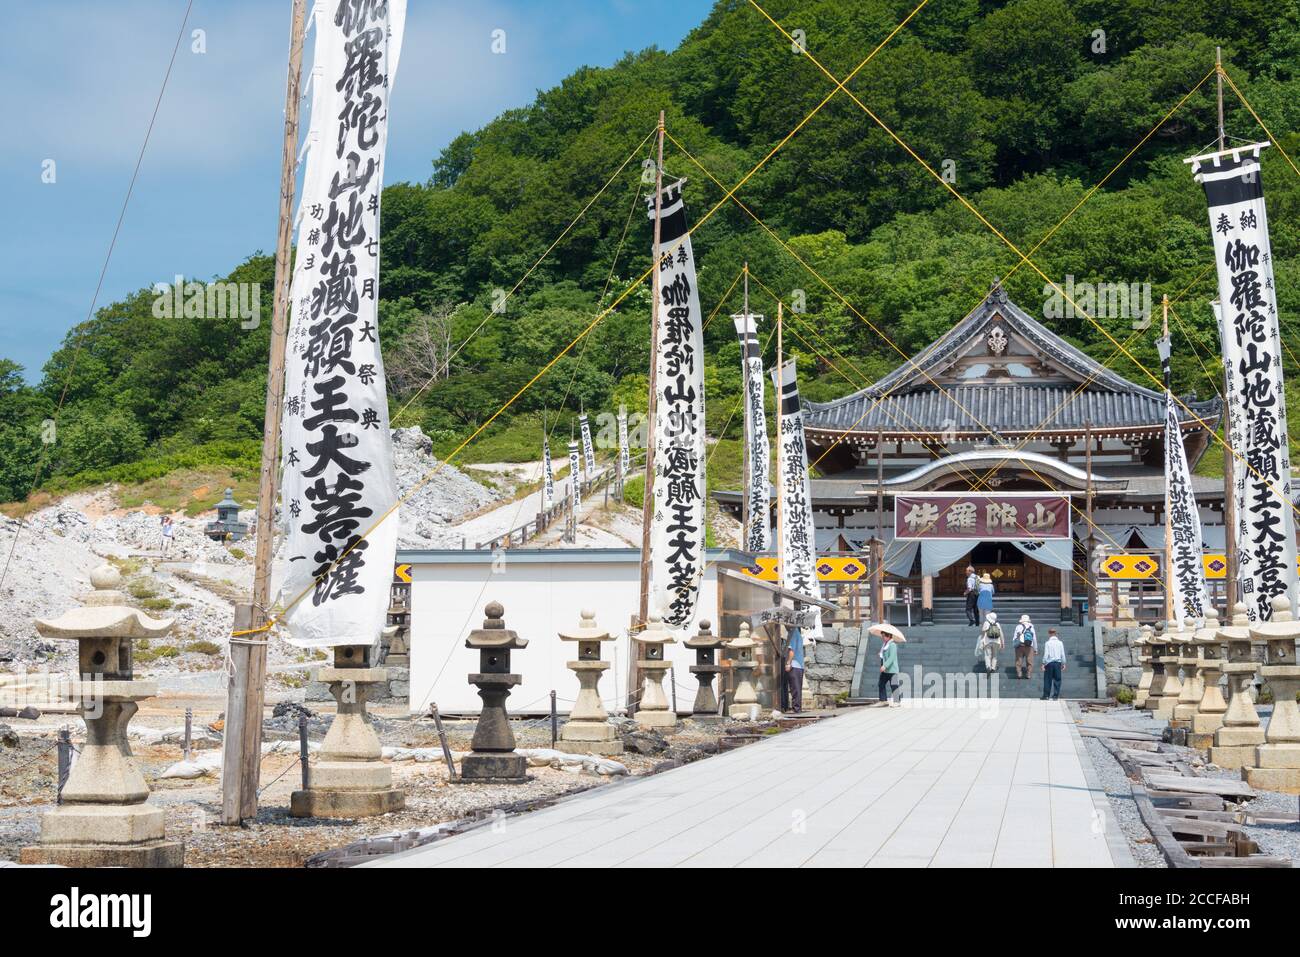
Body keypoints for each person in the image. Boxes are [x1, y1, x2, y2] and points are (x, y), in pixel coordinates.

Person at [1041, 628, 1066, 700]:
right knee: (1057, 679)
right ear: (1056, 634)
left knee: (1047, 679)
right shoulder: (1060, 643)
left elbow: (1046, 654)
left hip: (1049, 663)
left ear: (1049, 634)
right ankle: (1055, 696)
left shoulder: (1047, 643)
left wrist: (1043, 663)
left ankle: (1046, 695)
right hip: (1058, 663)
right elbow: (1062, 654)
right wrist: (1063, 663)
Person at [785, 625, 805, 714]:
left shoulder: (793, 633)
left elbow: (791, 650)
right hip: (800, 664)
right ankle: (798, 708)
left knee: (795, 688)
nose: (785, 626)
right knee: (797, 688)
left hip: (795, 664)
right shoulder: (798, 633)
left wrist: (788, 663)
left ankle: (796, 709)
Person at [1013, 614, 1038, 679]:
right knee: (1030, 661)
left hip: (1019, 646)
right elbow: (1034, 638)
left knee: (1019, 660)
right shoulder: (1031, 627)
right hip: (1029, 646)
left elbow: (1015, 637)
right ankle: (1028, 674)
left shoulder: (1018, 626)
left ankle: (1019, 673)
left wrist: (1015, 644)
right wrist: (1035, 649)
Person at [878, 631, 899, 704]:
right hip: (885, 671)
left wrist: (885, 665)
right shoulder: (884, 645)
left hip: (892, 669)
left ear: (889, 636)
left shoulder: (892, 645)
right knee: (881, 684)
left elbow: (892, 657)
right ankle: (883, 700)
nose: (882, 638)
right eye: (882, 636)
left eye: (884, 636)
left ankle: (897, 702)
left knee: (894, 685)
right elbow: (885, 656)